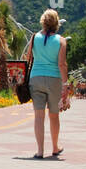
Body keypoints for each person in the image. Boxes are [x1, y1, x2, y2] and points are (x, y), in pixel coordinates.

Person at [23, 8, 70, 159]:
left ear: (42, 22)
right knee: (54, 115)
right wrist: (65, 85)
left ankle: (40, 150)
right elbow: (62, 64)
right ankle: (55, 147)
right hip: (54, 79)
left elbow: (28, 57)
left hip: (35, 78)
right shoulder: (61, 41)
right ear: (57, 23)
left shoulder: (34, 37)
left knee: (38, 116)